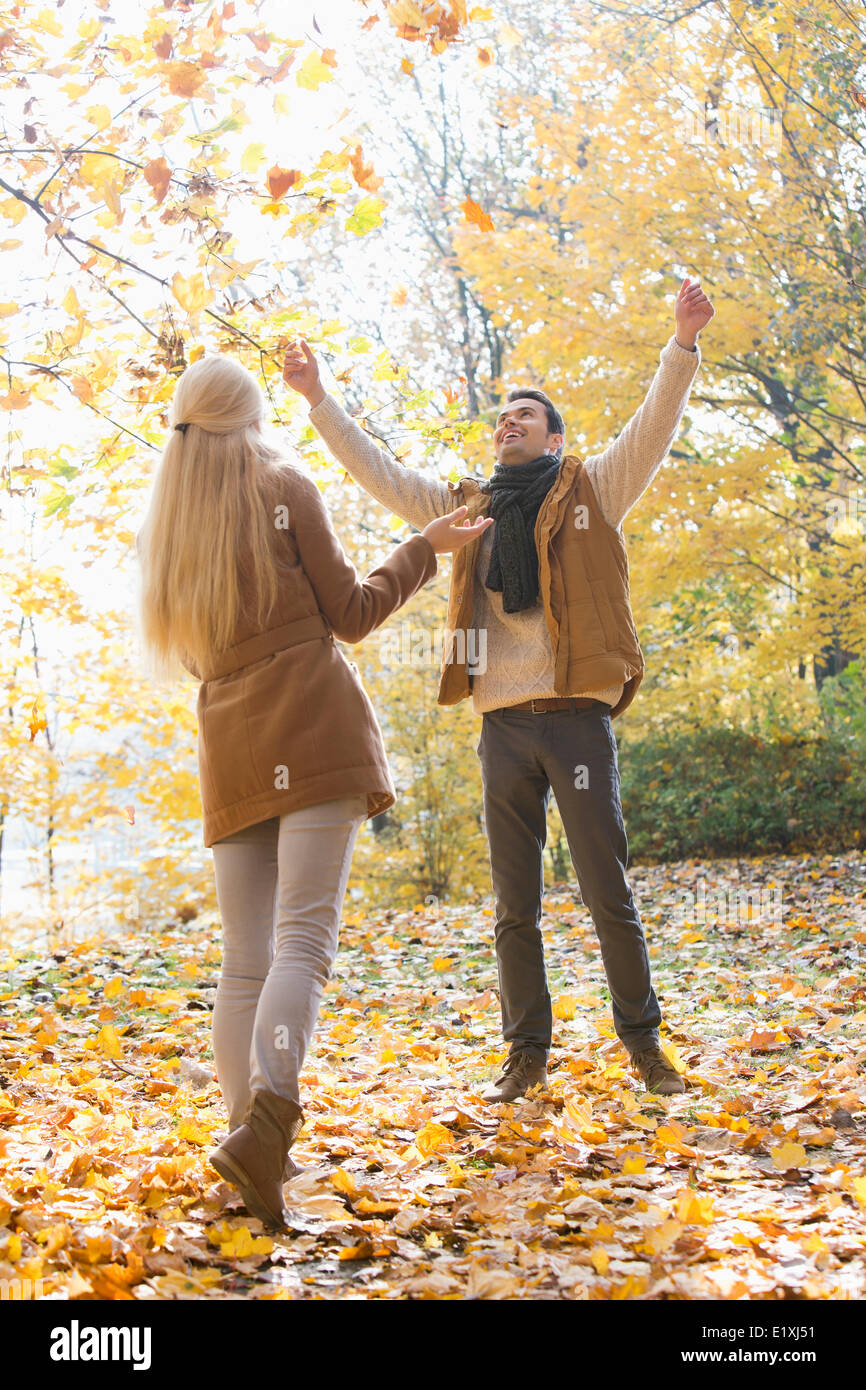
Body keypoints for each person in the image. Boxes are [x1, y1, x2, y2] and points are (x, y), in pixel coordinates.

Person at [283, 274, 715, 1103]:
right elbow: (382, 474)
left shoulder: (593, 489)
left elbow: (652, 425)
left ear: (553, 440)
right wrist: (319, 398)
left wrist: (682, 343)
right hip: (503, 732)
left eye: (525, 416)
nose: (506, 422)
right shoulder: (470, 509)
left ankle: (645, 1046)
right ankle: (526, 1054)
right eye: (501, 417)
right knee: (514, 907)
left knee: (605, 893)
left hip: (577, 724)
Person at [134, 353, 492, 1229]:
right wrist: (426, 549)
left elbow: (187, 655)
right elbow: (355, 615)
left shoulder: (167, 521)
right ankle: (267, 1128)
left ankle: (246, 1139)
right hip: (313, 729)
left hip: (231, 744)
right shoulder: (280, 484)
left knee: (245, 962)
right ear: (251, 417)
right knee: (302, 944)